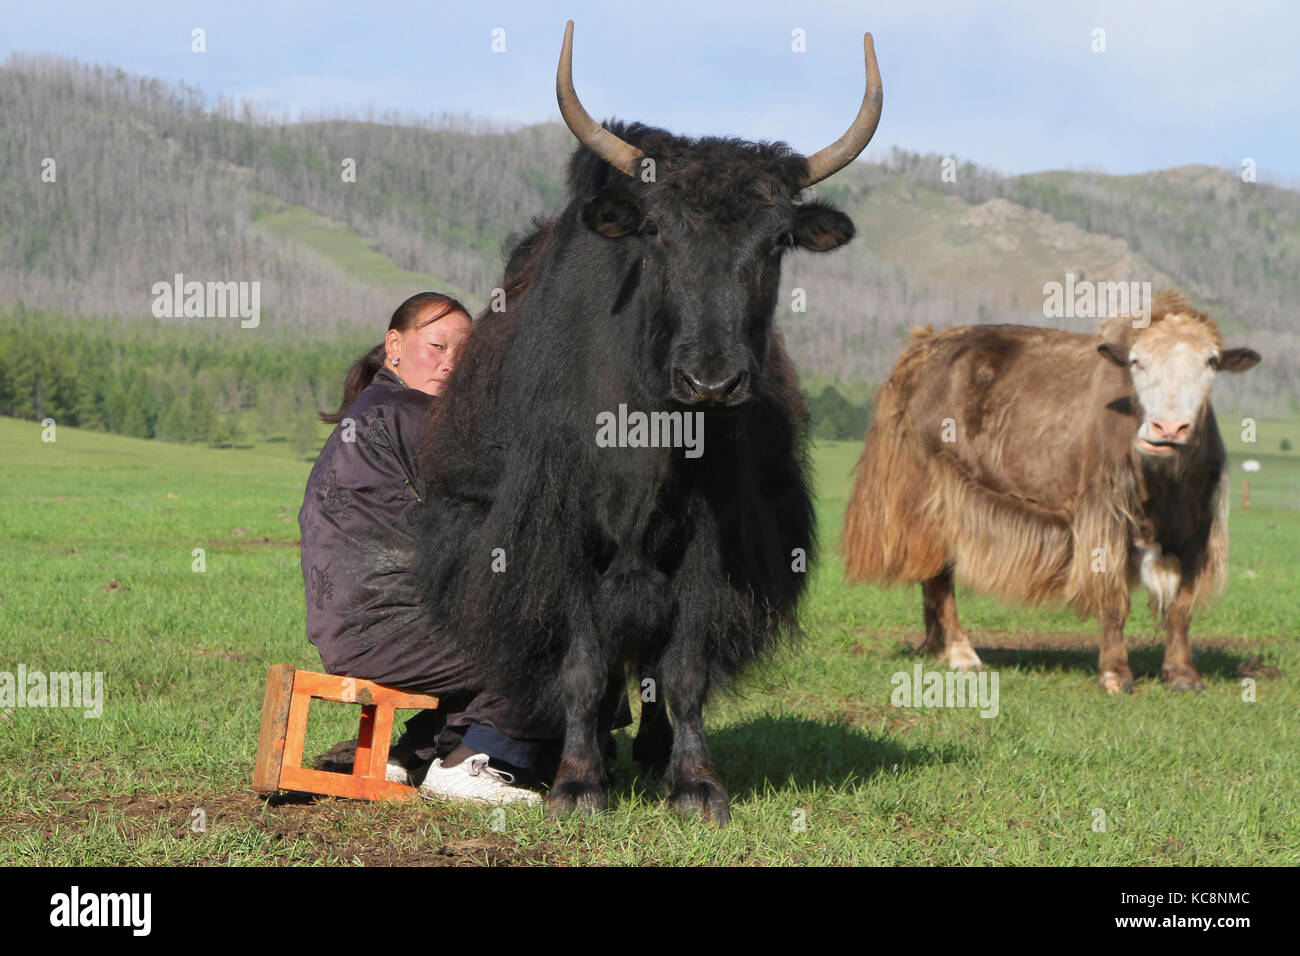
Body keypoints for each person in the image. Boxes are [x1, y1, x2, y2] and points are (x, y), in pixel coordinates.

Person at [298, 291, 548, 805]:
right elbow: (509, 503)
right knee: (555, 640)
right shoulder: (415, 415)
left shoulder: (375, 409)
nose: (450, 363)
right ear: (395, 345)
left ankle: (407, 755)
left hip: (352, 629)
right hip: (389, 629)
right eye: (436, 346)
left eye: (464, 354)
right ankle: (472, 762)